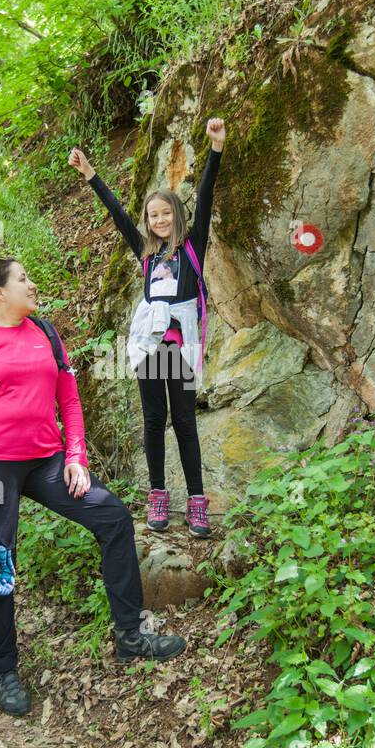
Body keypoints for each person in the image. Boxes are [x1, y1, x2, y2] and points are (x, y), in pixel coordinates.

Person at [0, 256, 186, 716]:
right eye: (24, 278)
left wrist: (75, 457)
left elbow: (69, 400)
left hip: (45, 459)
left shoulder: (46, 334)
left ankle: (130, 635)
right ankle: (3, 669)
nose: (32, 284)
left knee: (111, 516)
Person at [69, 117, 225, 537]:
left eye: (164, 213)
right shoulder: (146, 253)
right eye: (151, 215)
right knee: (154, 421)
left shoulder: (193, 245)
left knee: (186, 423)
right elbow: (117, 214)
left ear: (176, 214)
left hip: (181, 347)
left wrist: (215, 149)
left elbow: (207, 196)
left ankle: (196, 501)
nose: (157, 220)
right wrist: (91, 176)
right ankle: (158, 494)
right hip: (149, 348)